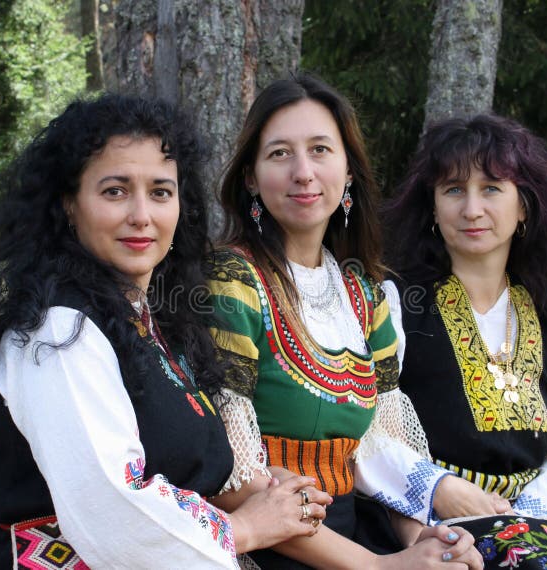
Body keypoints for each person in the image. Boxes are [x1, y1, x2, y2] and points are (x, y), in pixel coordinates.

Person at [0, 94, 333, 569]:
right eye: (115, 191)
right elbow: (111, 507)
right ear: (69, 204)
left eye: (160, 192)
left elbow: (175, 455)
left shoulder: (153, 320)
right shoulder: (58, 330)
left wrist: (265, 488)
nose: (142, 215)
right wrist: (247, 528)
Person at [207, 73, 483, 569]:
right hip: (270, 547)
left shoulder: (364, 295)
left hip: (355, 531)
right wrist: (380, 567)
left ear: (349, 170)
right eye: (279, 154)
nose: (304, 173)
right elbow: (232, 477)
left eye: (320, 150)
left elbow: (379, 458)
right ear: (250, 177)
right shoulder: (233, 280)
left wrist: (423, 541)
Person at [383, 114, 547, 569]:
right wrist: (438, 489)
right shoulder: (395, 302)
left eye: (491, 188)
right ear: (431, 206)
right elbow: (368, 426)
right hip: (425, 520)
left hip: (532, 522)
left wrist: (528, 512)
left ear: (523, 206)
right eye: (453, 190)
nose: (471, 209)